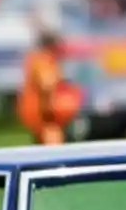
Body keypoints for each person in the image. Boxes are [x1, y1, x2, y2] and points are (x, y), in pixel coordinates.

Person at [17, 15, 80, 146]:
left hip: (46, 117)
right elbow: (47, 85)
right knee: (52, 148)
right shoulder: (43, 60)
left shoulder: (38, 59)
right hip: (49, 118)